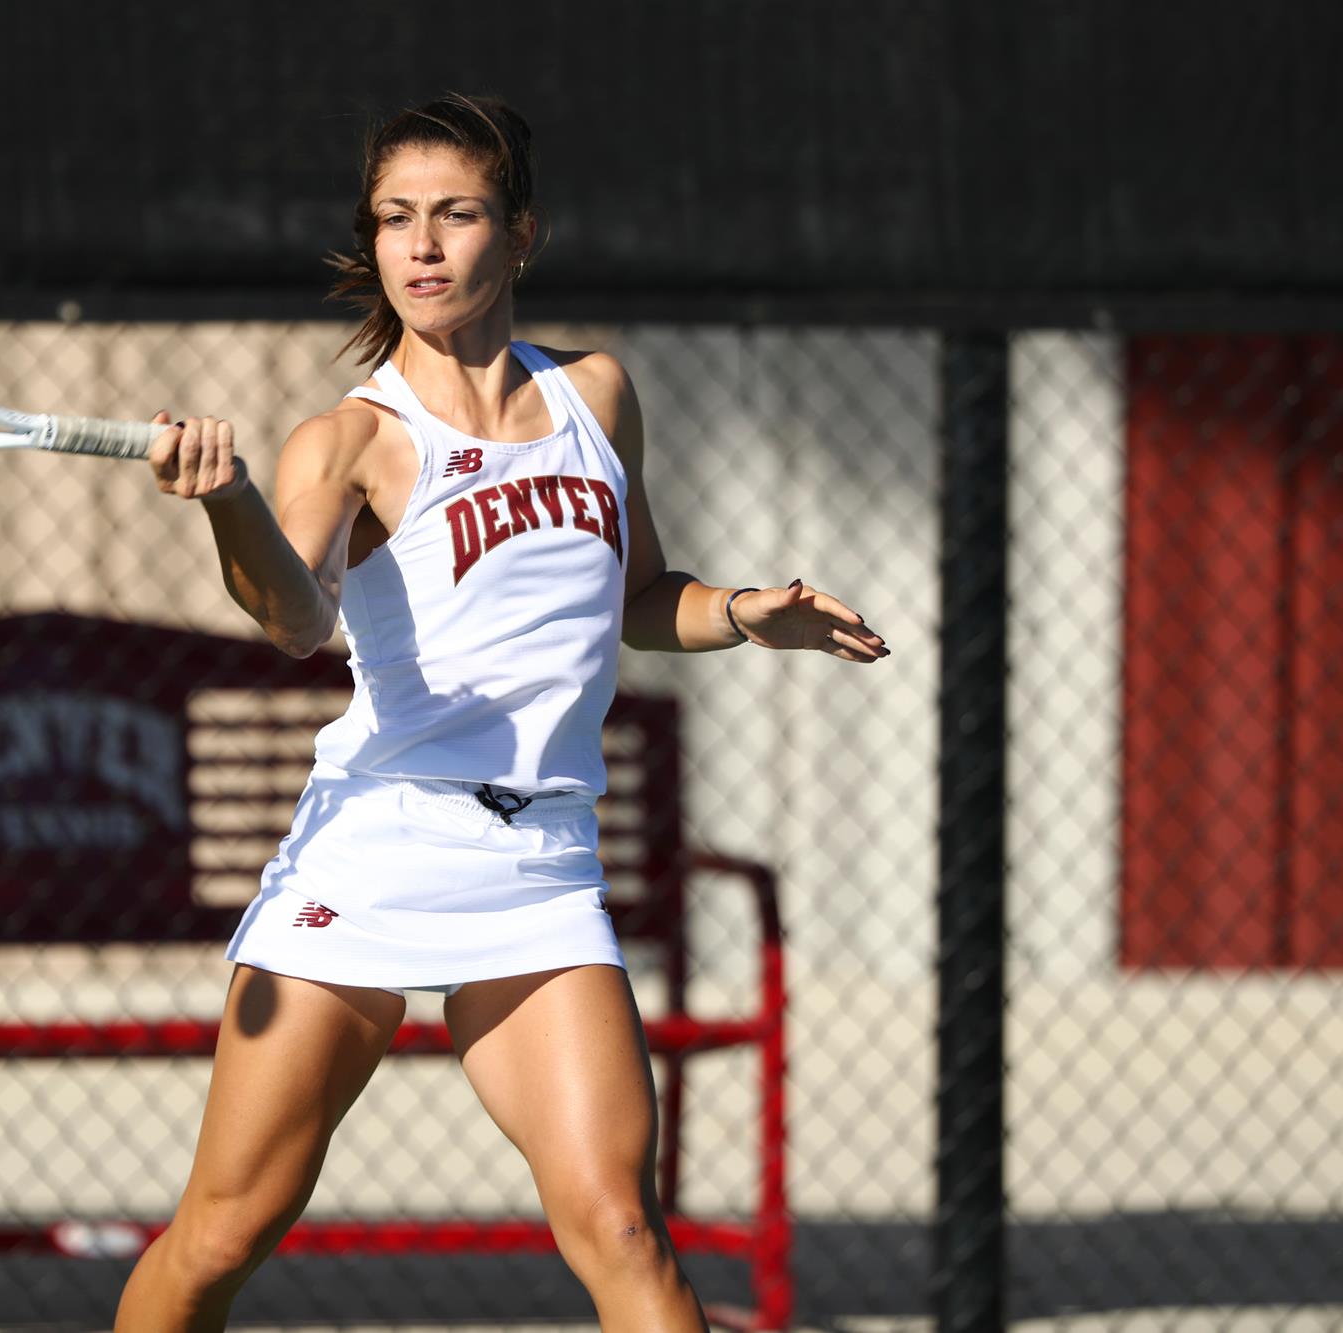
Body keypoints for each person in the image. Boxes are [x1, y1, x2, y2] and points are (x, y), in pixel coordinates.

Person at [118, 93, 888, 1332]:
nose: (420, 248)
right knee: (220, 1234)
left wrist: (745, 610)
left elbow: (639, 594)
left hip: (536, 865)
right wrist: (224, 504)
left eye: (454, 215)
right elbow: (294, 619)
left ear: (520, 233)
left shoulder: (595, 394)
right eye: (393, 220)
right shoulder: (351, 437)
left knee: (622, 1228)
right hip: (373, 853)